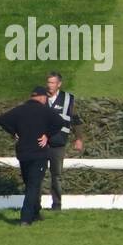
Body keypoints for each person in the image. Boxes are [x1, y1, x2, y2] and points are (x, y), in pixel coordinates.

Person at [0, 86, 65, 226]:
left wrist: (14, 132)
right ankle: (25, 218)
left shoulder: (19, 110)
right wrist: (47, 135)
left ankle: (35, 212)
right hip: (38, 153)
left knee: (29, 184)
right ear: (42, 97)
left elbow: (1, 119)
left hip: (22, 153)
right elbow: (60, 123)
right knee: (33, 186)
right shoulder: (45, 110)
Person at [44, 70, 82, 212]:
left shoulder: (68, 99)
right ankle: (35, 204)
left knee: (56, 175)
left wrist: (79, 138)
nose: (50, 85)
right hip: (40, 144)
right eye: (48, 82)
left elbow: (76, 120)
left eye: (53, 83)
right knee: (37, 174)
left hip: (58, 144)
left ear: (59, 84)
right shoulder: (40, 98)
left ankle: (57, 205)